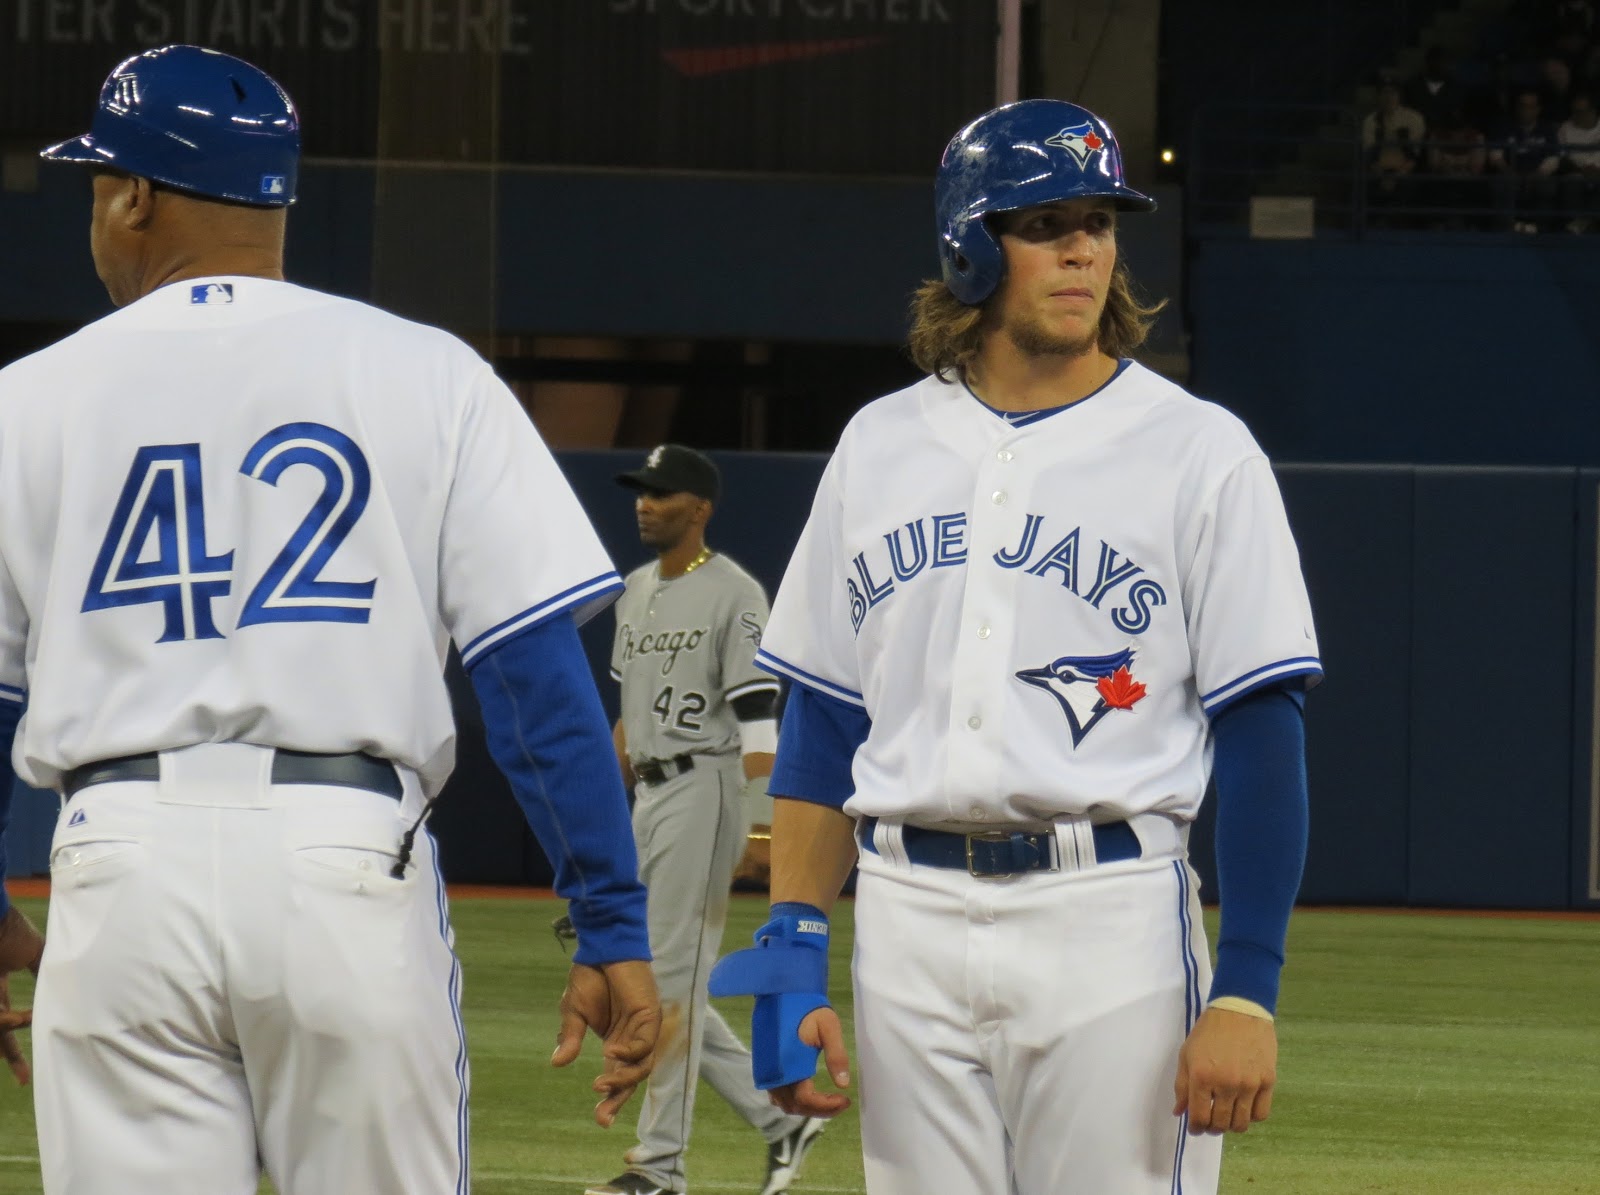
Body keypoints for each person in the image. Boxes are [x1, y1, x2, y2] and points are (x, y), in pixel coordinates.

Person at [4, 44, 659, 1194]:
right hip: (343, 859)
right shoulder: (427, 371)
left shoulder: (28, 397)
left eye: (100, 186)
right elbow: (534, 680)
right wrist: (607, 917)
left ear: (138, 196)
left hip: (119, 866)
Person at [712, 99, 1322, 1194]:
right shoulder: (880, 442)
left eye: (1098, 219)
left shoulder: (1198, 451)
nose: (1083, 246)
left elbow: (1263, 728)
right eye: (1045, 221)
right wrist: (795, 946)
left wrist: (1245, 988)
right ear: (968, 243)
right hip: (904, 922)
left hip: (1108, 920)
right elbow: (824, 721)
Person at [584, 444, 826, 1195]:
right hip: (649, 794)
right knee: (662, 981)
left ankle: (658, 1170)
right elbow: (628, 719)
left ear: (701, 507)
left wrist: (761, 824)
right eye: (641, 491)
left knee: (671, 983)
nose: (644, 503)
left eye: (662, 492)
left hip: (708, 785)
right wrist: (603, 820)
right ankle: (781, 1116)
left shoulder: (735, 591)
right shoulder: (633, 590)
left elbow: (758, 713)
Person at [1489, 88, 1563, 231]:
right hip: (1510, 172)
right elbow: (1495, 155)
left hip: (1538, 174)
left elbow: (1553, 158)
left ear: (1538, 109)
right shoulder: (1504, 126)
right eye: (1522, 106)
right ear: (1516, 108)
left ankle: (1541, 230)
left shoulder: (1547, 129)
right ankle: (1507, 228)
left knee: (1547, 186)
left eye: (1530, 107)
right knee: (1501, 183)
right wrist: (1508, 171)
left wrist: (1537, 174)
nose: (1525, 110)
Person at [1557, 90, 1600, 229]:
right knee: (1572, 181)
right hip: (1576, 172)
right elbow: (1561, 158)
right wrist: (1581, 170)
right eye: (1574, 111)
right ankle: (1578, 223)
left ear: (1593, 111)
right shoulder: (1565, 128)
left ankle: (1584, 223)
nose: (1576, 115)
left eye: (1580, 111)